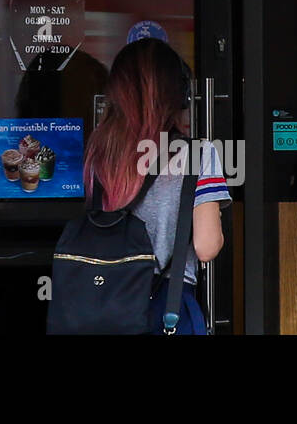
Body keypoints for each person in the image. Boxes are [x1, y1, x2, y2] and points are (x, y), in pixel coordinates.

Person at [83, 37, 231, 334]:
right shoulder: (199, 154)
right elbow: (206, 246)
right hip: (168, 307)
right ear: (180, 97)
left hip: (104, 301)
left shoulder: (98, 151)